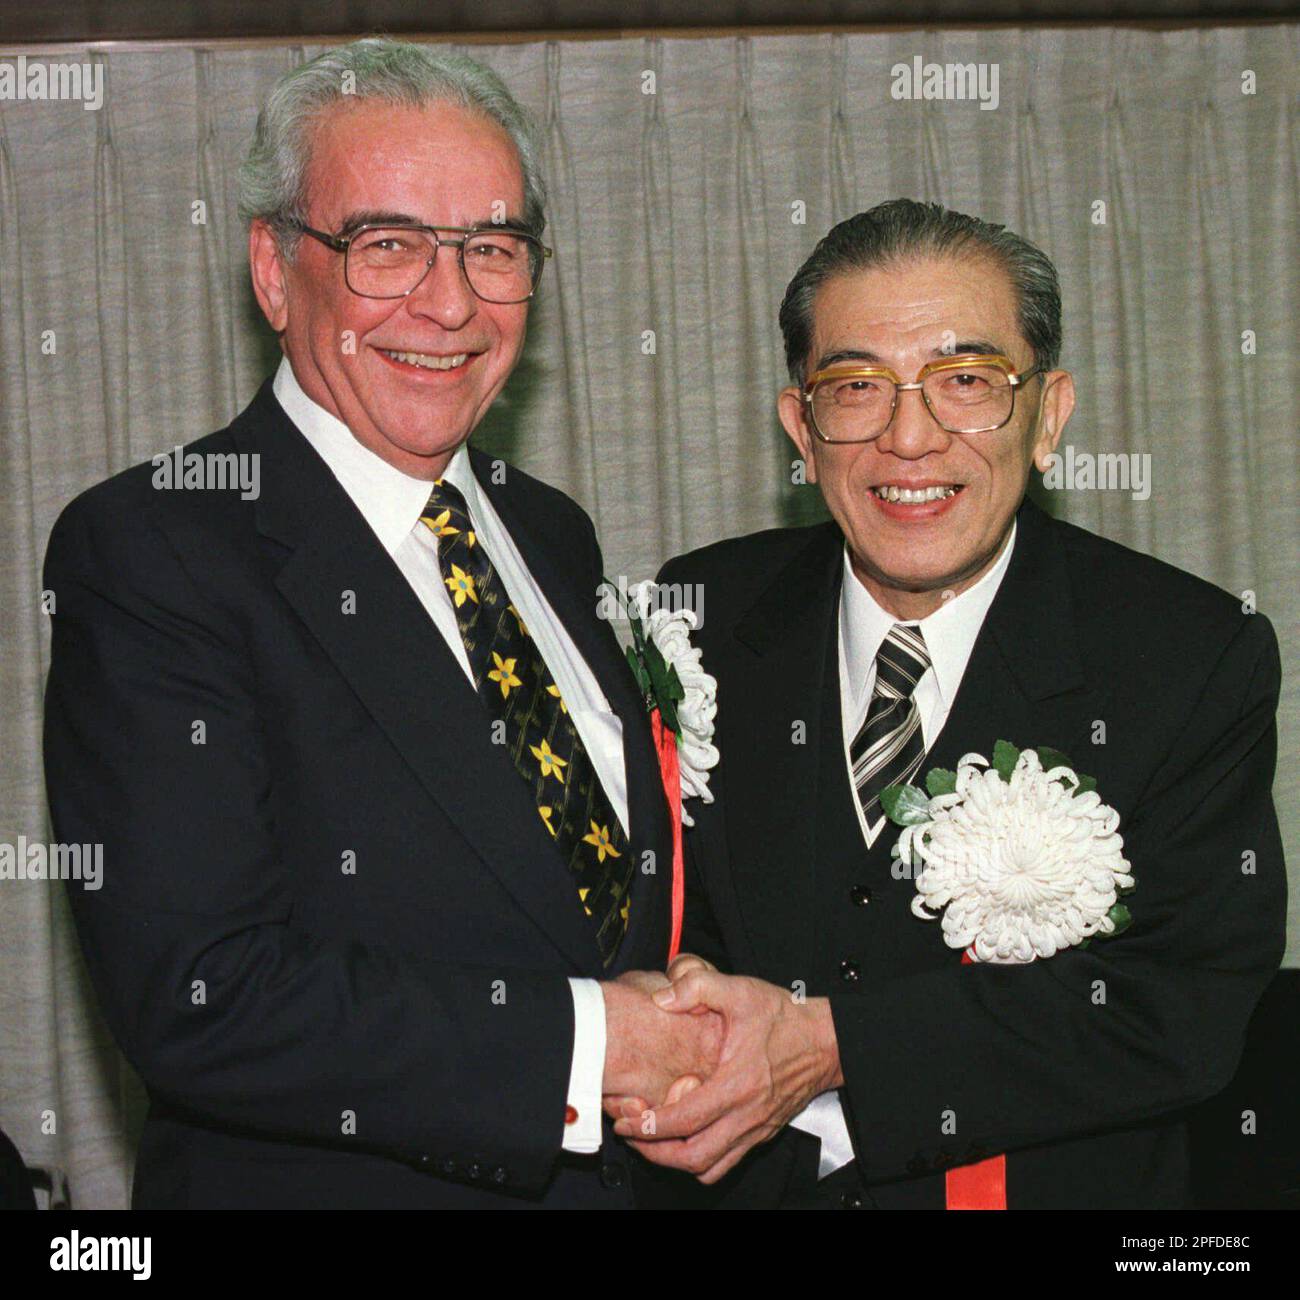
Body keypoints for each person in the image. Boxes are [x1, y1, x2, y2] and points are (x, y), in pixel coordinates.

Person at [42, 37, 718, 1211]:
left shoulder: (547, 531)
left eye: (492, 249)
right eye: (387, 244)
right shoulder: (157, 547)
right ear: (273, 268)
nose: (449, 302)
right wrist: (591, 1045)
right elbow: (201, 991)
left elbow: (574, 899)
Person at [615, 199, 1286, 1209]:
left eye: (965, 382)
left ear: (1048, 415)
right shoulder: (702, 614)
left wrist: (831, 1047)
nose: (910, 438)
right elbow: (656, 904)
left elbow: (1175, 1008)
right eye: (854, 388)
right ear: (800, 426)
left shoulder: (1184, 652)